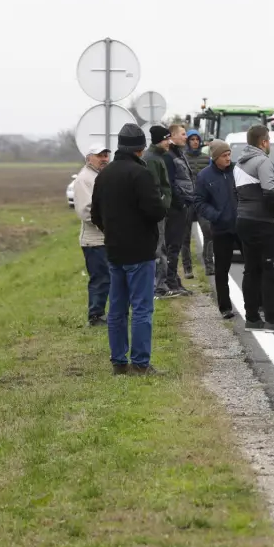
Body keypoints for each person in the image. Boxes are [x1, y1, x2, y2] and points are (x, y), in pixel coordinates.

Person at [90, 123, 168, 375]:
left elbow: (95, 214)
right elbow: (155, 211)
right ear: (140, 149)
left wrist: (112, 232)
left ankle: (118, 362)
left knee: (117, 309)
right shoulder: (141, 174)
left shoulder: (104, 174)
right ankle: (141, 363)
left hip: (113, 249)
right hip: (140, 251)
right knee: (142, 308)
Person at [234, 124, 274, 333]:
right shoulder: (263, 161)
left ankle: (252, 318)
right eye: (268, 140)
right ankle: (272, 319)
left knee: (251, 270)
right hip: (262, 222)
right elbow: (270, 192)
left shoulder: (239, 164)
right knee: (271, 269)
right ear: (263, 141)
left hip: (243, 219)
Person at [195, 140, 238, 320]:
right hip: (221, 228)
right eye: (224, 155)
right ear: (215, 157)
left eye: (229, 154)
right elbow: (199, 202)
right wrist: (216, 215)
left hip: (242, 225)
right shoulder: (205, 176)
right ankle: (225, 307)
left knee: (253, 266)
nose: (228, 158)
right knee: (221, 269)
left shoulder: (238, 171)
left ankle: (256, 305)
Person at [73, 144, 111, 326]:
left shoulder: (101, 176)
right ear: (89, 158)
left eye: (106, 155)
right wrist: (109, 225)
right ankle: (95, 316)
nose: (104, 159)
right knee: (100, 278)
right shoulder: (84, 179)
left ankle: (104, 313)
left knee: (108, 277)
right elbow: (86, 212)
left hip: (106, 238)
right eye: (99, 156)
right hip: (93, 240)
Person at [162, 123, 196, 296]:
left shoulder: (179, 154)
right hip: (176, 208)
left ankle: (175, 279)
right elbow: (170, 183)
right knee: (173, 246)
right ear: (172, 136)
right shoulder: (169, 156)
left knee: (178, 244)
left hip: (184, 206)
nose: (186, 137)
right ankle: (171, 282)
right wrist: (180, 201)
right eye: (182, 134)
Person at [144, 126, 177, 299]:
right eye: (166, 139)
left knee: (161, 247)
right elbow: (154, 188)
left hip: (161, 211)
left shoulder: (158, 157)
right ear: (159, 140)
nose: (169, 142)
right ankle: (158, 288)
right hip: (157, 212)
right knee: (158, 249)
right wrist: (162, 205)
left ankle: (161, 286)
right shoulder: (152, 160)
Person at [181, 128, 213, 278]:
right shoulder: (181, 158)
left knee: (208, 232)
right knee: (184, 236)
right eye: (192, 139)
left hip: (202, 201)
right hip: (186, 202)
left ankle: (209, 265)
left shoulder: (207, 159)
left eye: (197, 139)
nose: (194, 142)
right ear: (187, 141)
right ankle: (187, 268)